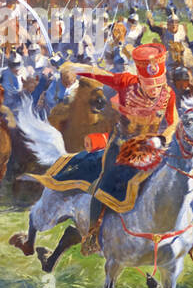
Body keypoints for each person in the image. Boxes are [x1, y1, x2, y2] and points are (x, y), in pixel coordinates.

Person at [63, 43, 178, 253]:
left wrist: (161, 139)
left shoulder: (168, 94)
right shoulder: (126, 82)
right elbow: (100, 74)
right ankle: (92, 234)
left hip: (151, 146)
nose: (155, 90)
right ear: (140, 79)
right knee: (105, 185)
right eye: (150, 84)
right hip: (122, 146)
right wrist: (75, 68)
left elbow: (173, 122)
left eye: (158, 84)